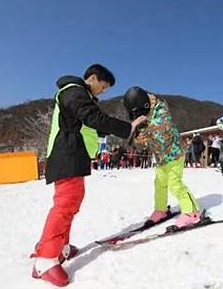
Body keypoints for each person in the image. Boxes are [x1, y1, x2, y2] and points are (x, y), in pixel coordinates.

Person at [31, 64, 146, 287]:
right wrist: (127, 127)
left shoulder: (81, 97)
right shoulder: (74, 91)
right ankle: (45, 259)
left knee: (71, 203)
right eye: (102, 87)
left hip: (74, 156)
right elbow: (93, 117)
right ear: (92, 78)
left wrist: (130, 129)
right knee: (64, 205)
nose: (103, 91)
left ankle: (60, 246)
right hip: (66, 155)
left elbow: (94, 126)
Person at [124, 86, 201, 229]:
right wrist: (132, 132)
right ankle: (161, 209)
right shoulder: (142, 113)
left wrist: (137, 132)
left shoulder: (161, 111)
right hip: (160, 157)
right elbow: (141, 138)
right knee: (159, 183)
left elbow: (158, 133)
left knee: (174, 184)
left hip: (174, 154)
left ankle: (192, 212)